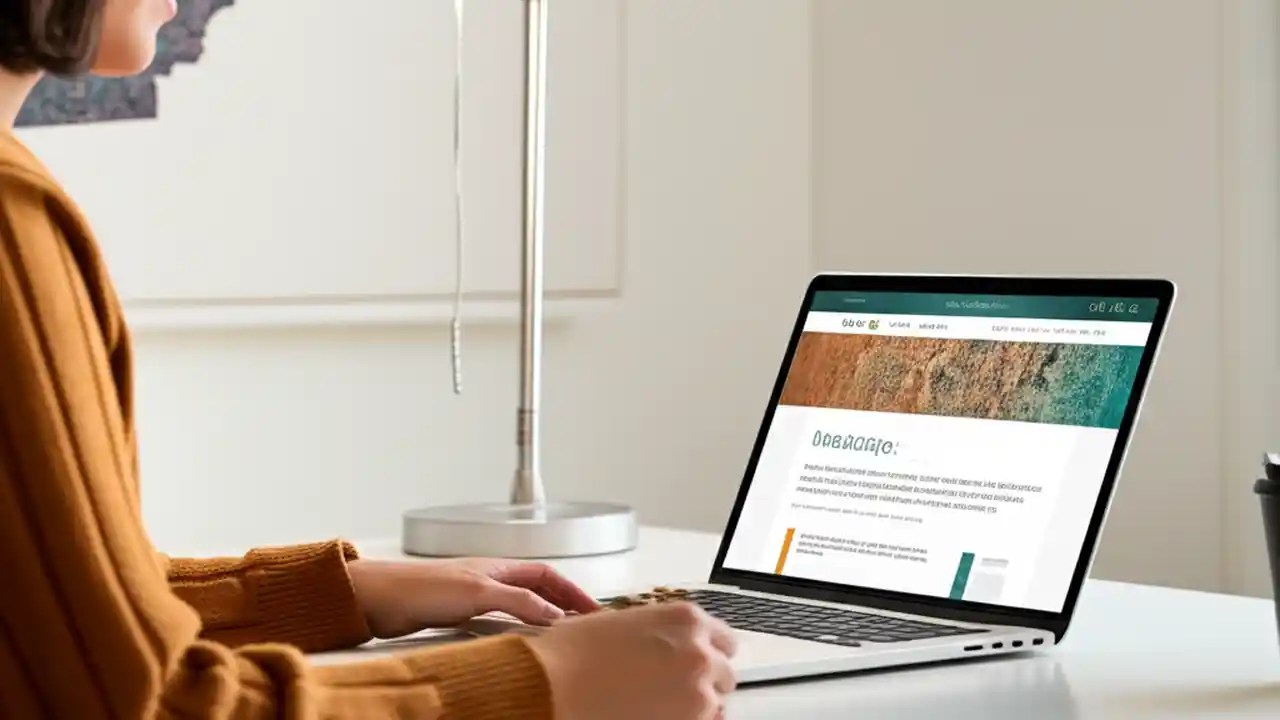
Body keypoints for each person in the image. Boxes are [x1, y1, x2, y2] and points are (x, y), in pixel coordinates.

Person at [0, 1, 737, 718]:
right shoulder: (11, 222)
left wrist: (341, 593)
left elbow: (51, 626)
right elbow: (141, 704)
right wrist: (549, 678)